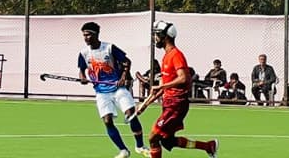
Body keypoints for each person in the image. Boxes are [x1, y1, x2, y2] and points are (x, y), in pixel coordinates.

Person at [142, 21, 217, 158]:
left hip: (176, 104)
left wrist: (162, 86)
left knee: (153, 138)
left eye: (157, 35)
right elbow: (164, 86)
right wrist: (145, 104)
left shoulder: (176, 55)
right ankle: (208, 146)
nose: (155, 38)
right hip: (169, 103)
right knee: (167, 141)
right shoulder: (166, 56)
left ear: (165, 36)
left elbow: (183, 78)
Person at [77, 21, 147, 158]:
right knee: (107, 121)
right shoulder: (84, 53)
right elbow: (81, 69)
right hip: (101, 92)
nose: (86, 38)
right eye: (84, 35)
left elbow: (127, 62)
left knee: (131, 114)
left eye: (88, 35)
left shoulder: (109, 48)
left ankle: (140, 145)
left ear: (96, 34)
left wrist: (123, 76)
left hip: (117, 88)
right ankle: (123, 150)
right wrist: (83, 77)